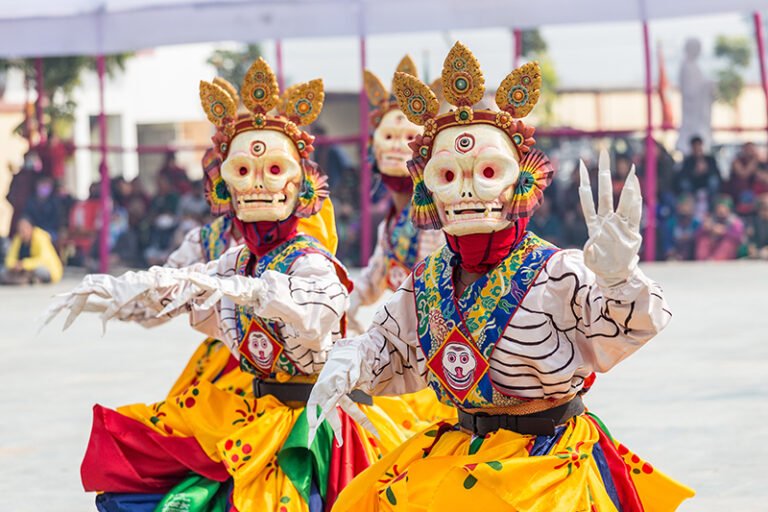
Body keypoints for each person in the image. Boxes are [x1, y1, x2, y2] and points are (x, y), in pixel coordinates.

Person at [307, 43, 694, 511]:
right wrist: (351, 361)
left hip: (543, 461)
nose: (467, 189)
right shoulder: (426, 280)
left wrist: (618, 278)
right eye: (449, 174)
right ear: (428, 188)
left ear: (522, 181)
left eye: (487, 171)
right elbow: (391, 344)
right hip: (462, 442)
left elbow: (632, 326)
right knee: (363, 499)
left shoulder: (557, 271)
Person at [44, 61, 416, 512]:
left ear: (299, 184)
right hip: (241, 391)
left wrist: (255, 293)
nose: (257, 183)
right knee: (143, 473)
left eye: (273, 168)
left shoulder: (309, 256)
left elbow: (320, 309)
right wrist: (115, 294)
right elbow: (177, 289)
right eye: (241, 169)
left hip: (309, 421)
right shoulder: (223, 251)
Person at [2, 216, 63, 284]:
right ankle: (25, 279)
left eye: (25, 228)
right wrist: (14, 265)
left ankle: (26, 279)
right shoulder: (18, 239)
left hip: (45, 269)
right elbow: (10, 257)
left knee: (38, 270)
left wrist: (24, 264)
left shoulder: (40, 237)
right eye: (20, 228)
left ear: (31, 228)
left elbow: (43, 260)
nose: (23, 230)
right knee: (3, 271)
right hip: (22, 268)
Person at [674, 135, 722, 216]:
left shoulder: (710, 159)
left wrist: (706, 170)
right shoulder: (688, 161)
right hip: (693, 187)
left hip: (707, 186)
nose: (697, 149)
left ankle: (711, 207)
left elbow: (717, 175)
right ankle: (689, 206)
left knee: (713, 181)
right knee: (684, 183)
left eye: (698, 146)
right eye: (694, 147)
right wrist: (695, 172)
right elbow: (682, 177)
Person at [695, 195, 745, 261]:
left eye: (724, 208)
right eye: (719, 208)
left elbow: (739, 238)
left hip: (728, 252)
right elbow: (696, 236)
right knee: (703, 240)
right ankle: (702, 260)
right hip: (712, 247)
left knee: (728, 242)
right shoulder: (710, 219)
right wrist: (704, 229)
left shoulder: (735, 222)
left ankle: (716, 260)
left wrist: (724, 232)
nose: (721, 211)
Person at [722, 142, 760, 217]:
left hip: (753, 191)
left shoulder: (759, 163)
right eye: (748, 149)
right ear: (743, 150)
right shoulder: (736, 161)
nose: (750, 151)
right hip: (736, 191)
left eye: (752, 149)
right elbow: (743, 174)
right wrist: (754, 161)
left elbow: (761, 176)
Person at [660, 193, 700, 261]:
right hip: (674, 256)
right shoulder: (670, 223)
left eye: (688, 205)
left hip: (692, 257)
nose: (685, 208)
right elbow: (667, 245)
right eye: (683, 205)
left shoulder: (697, 224)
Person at [746, 194, 768, 259]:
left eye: (766, 209)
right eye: (762, 209)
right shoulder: (755, 222)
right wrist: (751, 247)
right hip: (758, 251)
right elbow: (751, 240)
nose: (764, 212)